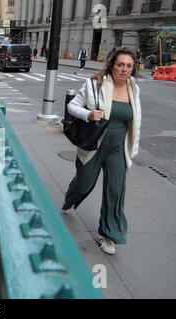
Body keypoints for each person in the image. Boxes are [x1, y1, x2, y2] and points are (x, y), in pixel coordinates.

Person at [61, 48, 142, 256]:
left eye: (128, 66)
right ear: (112, 65)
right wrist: (88, 115)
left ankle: (108, 234)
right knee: (84, 184)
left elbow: (135, 122)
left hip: (118, 147)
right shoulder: (95, 84)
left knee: (115, 190)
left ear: (133, 69)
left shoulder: (134, 88)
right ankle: (72, 194)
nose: (124, 69)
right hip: (95, 145)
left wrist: (132, 149)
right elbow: (72, 106)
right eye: (120, 65)